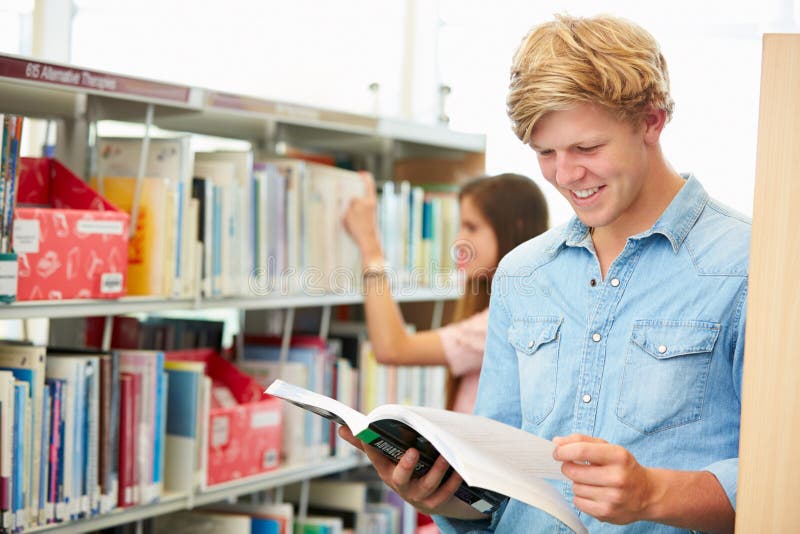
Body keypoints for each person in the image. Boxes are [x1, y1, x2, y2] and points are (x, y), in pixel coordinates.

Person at [339, 13, 749, 533]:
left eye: (587, 148)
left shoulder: (747, 266)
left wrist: (653, 494)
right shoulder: (523, 274)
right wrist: (443, 497)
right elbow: (494, 490)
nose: (566, 175)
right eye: (545, 153)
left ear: (651, 120)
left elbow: (784, 479)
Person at [343, 172, 548, 413]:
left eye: (471, 227)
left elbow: (392, 348)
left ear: (516, 228)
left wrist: (370, 247)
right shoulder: (504, 307)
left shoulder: (508, 322)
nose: (459, 242)